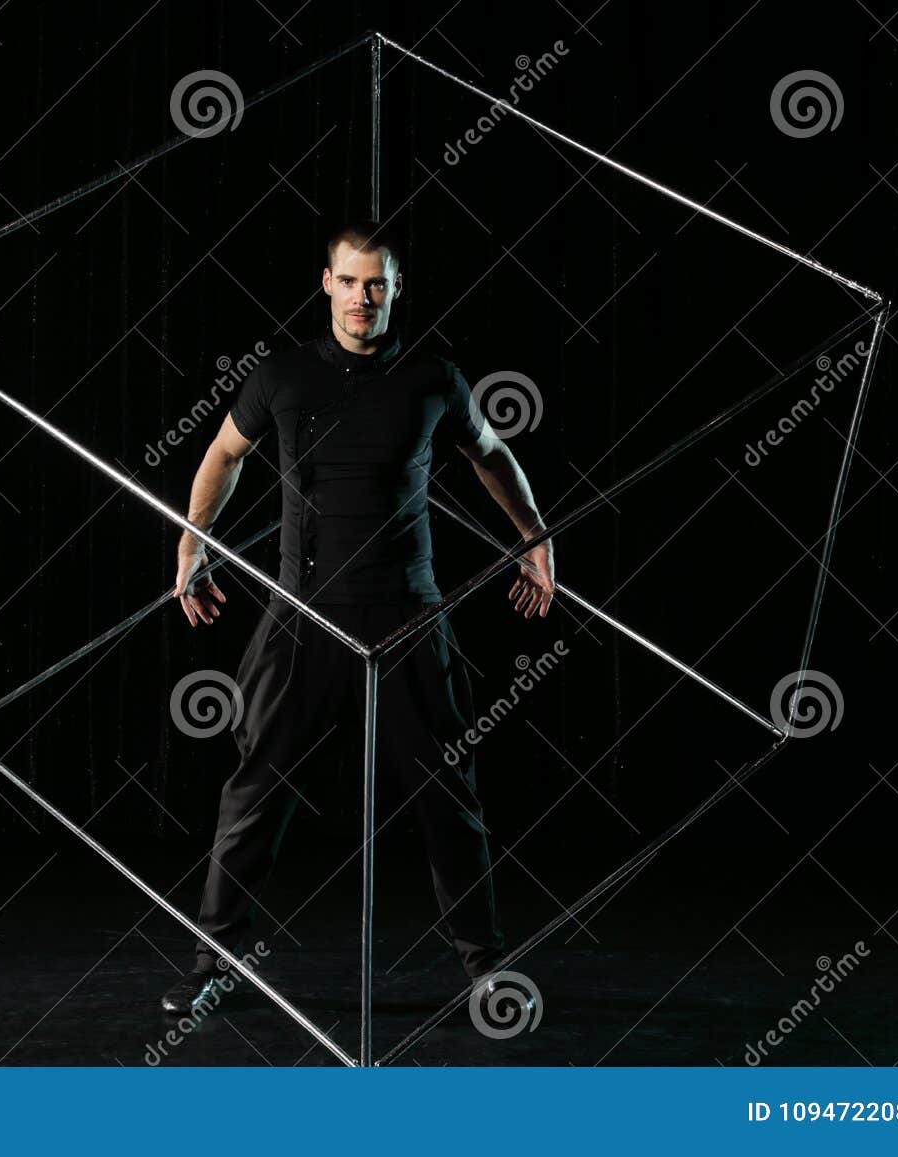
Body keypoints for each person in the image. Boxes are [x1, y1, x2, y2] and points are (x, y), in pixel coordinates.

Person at [162, 220, 554, 1016]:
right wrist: (190, 542)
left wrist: (535, 537)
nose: (362, 297)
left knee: (450, 795)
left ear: (395, 290)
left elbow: (491, 454)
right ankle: (212, 963)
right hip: (301, 617)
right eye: (349, 281)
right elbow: (224, 455)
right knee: (253, 791)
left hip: (408, 615)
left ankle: (487, 967)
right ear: (326, 283)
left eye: (377, 283)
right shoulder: (281, 375)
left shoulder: (433, 376)